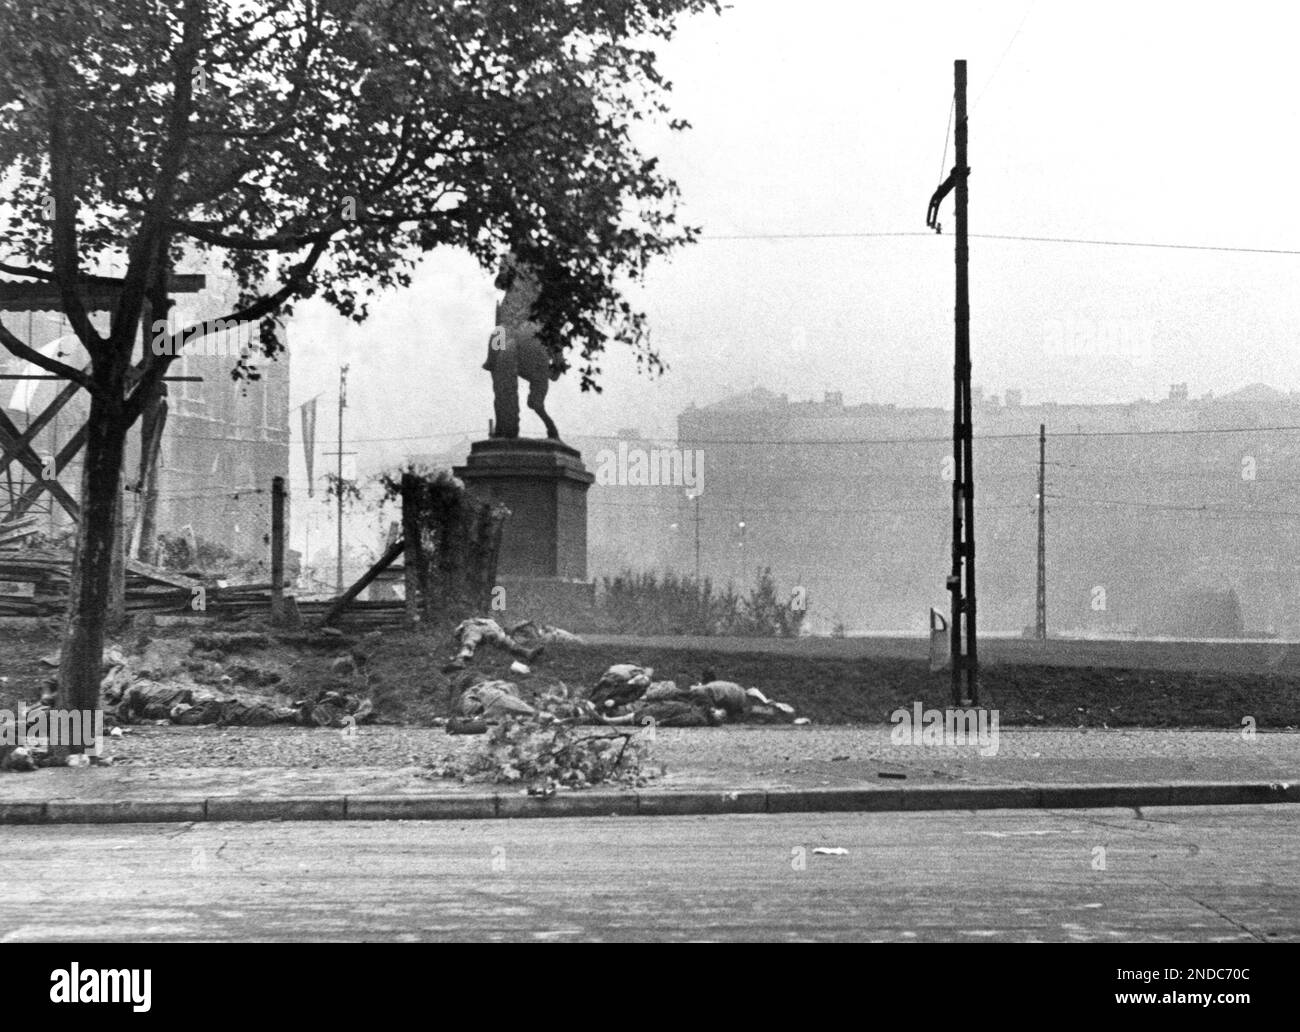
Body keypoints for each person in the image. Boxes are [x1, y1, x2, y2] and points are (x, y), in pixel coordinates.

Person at [443, 617, 543, 672]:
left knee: (504, 639)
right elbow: (457, 633)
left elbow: (501, 632)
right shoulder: (468, 623)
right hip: (474, 629)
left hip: (491, 630)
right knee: (471, 640)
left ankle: (527, 652)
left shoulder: (491, 622)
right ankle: (460, 660)